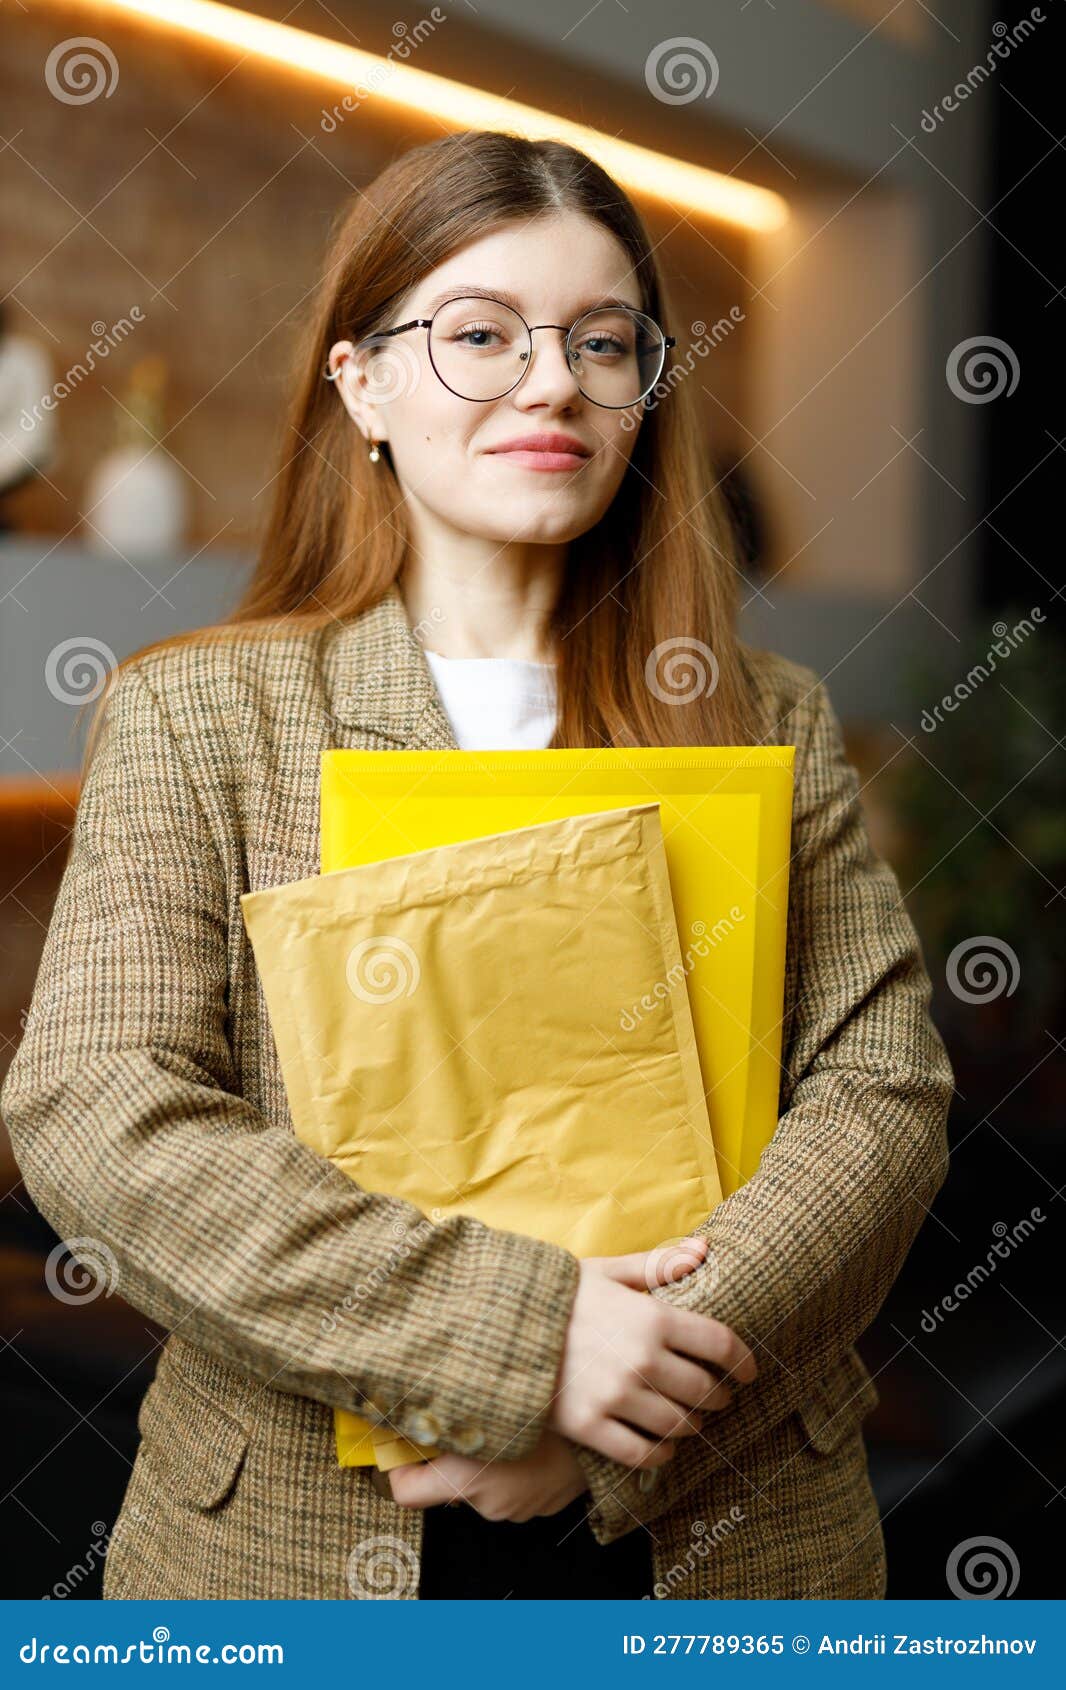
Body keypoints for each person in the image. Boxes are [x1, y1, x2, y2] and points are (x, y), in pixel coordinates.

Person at [1, 130, 953, 1601]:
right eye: (479, 335)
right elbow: (100, 1108)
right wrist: (527, 1348)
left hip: (723, 1522)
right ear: (361, 382)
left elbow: (876, 1094)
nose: (550, 380)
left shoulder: (766, 710)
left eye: (600, 341)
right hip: (295, 1548)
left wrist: (622, 1410)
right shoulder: (198, 713)